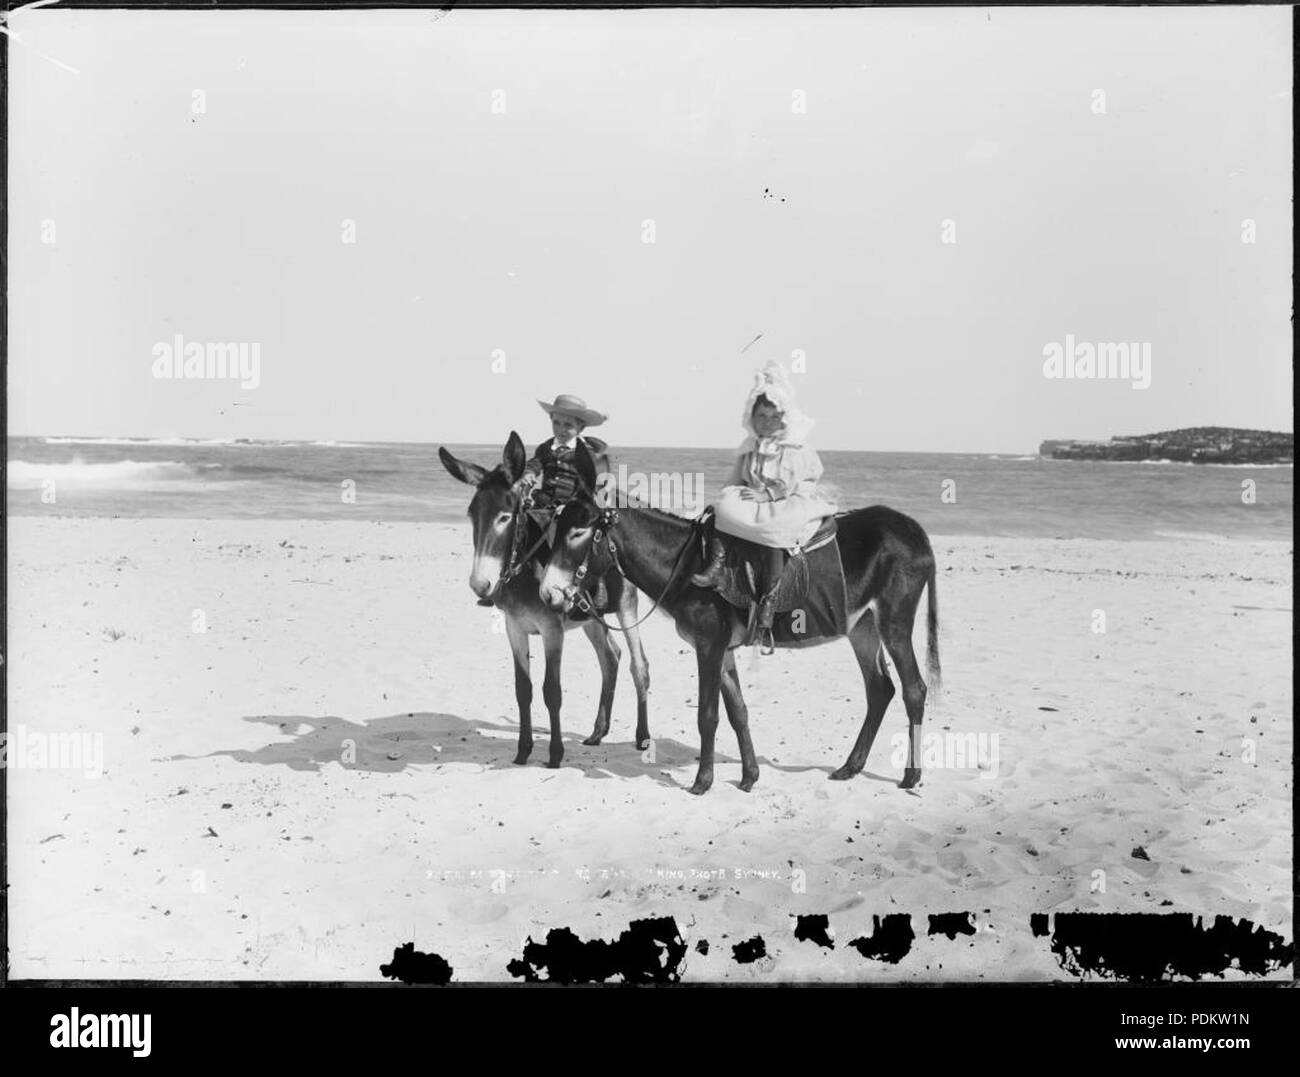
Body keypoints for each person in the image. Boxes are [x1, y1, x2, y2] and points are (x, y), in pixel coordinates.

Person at [691, 362, 838, 645]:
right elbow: (736, 480)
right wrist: (726, 498)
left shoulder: (793, 447)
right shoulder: (751, 447)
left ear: (784, 418)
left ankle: (769, 600)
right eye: (761, 416)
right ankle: (717, 566)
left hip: (787, 499)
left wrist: (767, 495)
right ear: (752, 417)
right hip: (756, 499)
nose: (767, 422)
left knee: (775, 529)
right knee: (724, 508)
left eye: (773, 417)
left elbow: (791, 482)